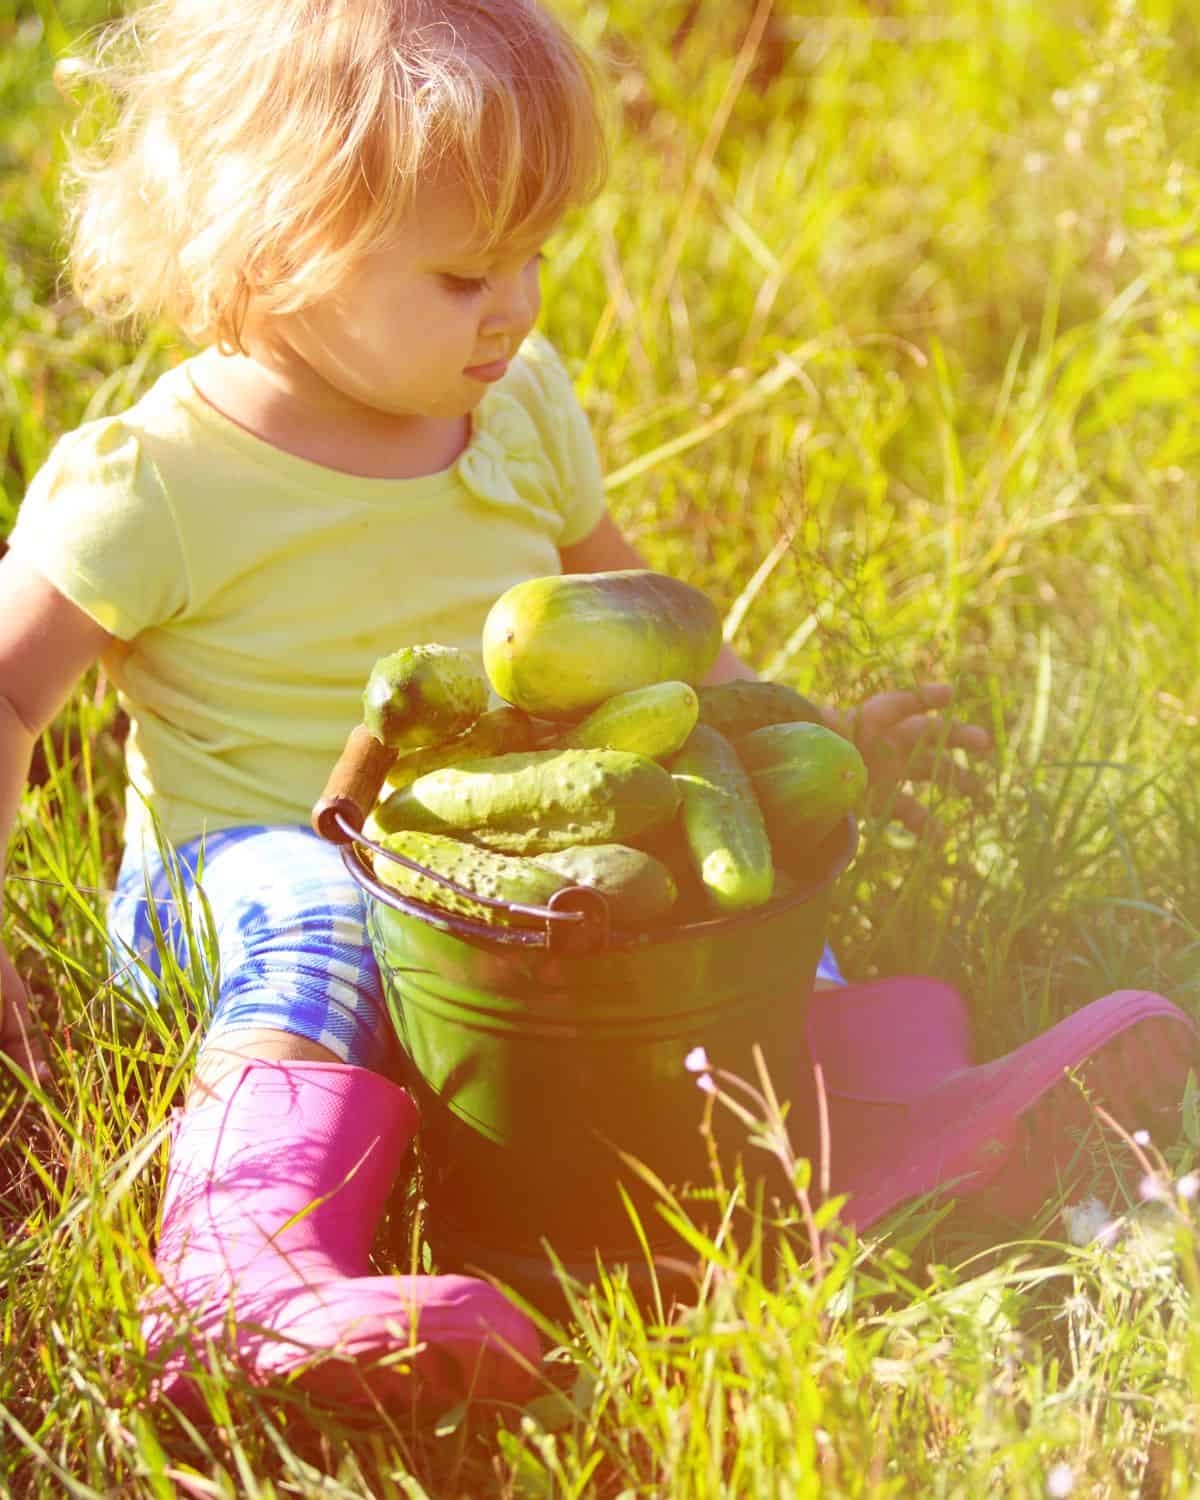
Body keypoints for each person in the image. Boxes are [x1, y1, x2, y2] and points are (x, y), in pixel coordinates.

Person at [0, 0, 1193, 1415]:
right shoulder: (156, 480)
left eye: (533, 258)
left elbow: (640, 631)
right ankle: (240, 1267)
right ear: (279, 247)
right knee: (324, 901)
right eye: (461, 275)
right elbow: (13, 694)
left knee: (700, 874)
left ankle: (871, 1134)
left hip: (500, 879)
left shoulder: (517, 410)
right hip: (246, 887)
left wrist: (779, 732)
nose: (516, 306)